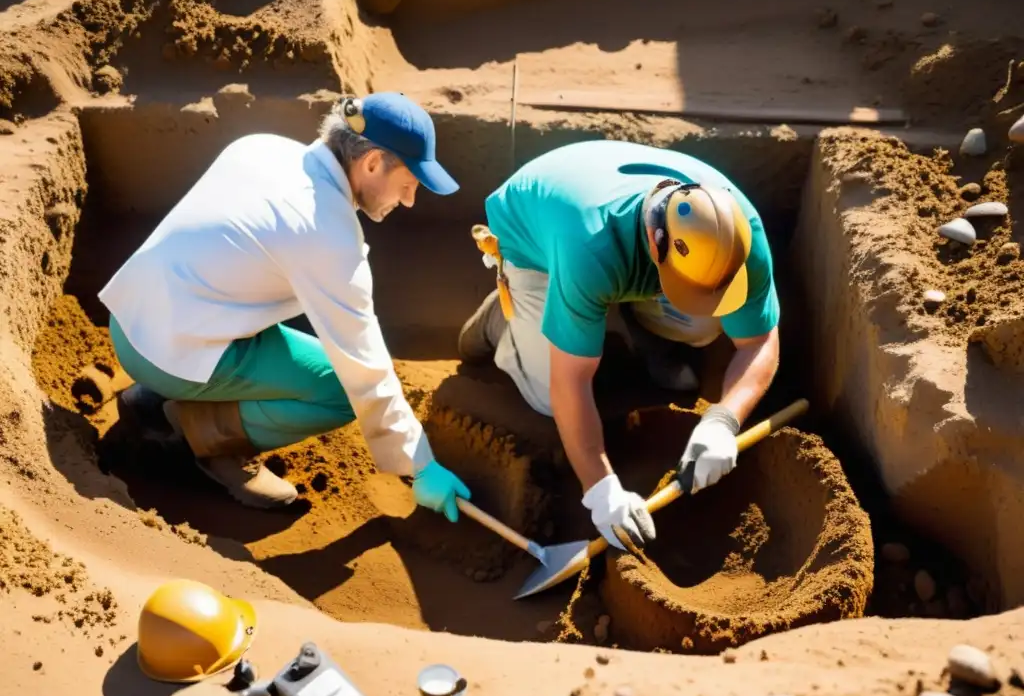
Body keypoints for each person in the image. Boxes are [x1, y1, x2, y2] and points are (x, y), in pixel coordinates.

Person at [98, 92, 473, 520]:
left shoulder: (262, 147)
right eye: (409, 184)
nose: (409, 200)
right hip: (165, 358)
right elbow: (365, 373)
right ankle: (202, 438)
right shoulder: (326, 234)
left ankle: (151, 399)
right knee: (339, 389)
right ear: (371, 163)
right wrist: (420, 465)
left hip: (129, 321)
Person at [458, 139, 780, 551]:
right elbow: (569, 384)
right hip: (534, 239)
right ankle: (504, 324)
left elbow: (759, 340)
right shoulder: (588, 248)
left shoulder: (739, 235)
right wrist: (602, 491)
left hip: (607, 226)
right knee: (546, 397)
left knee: (703, 325)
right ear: (653, 238)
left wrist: (724, 420)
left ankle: (633, 325)